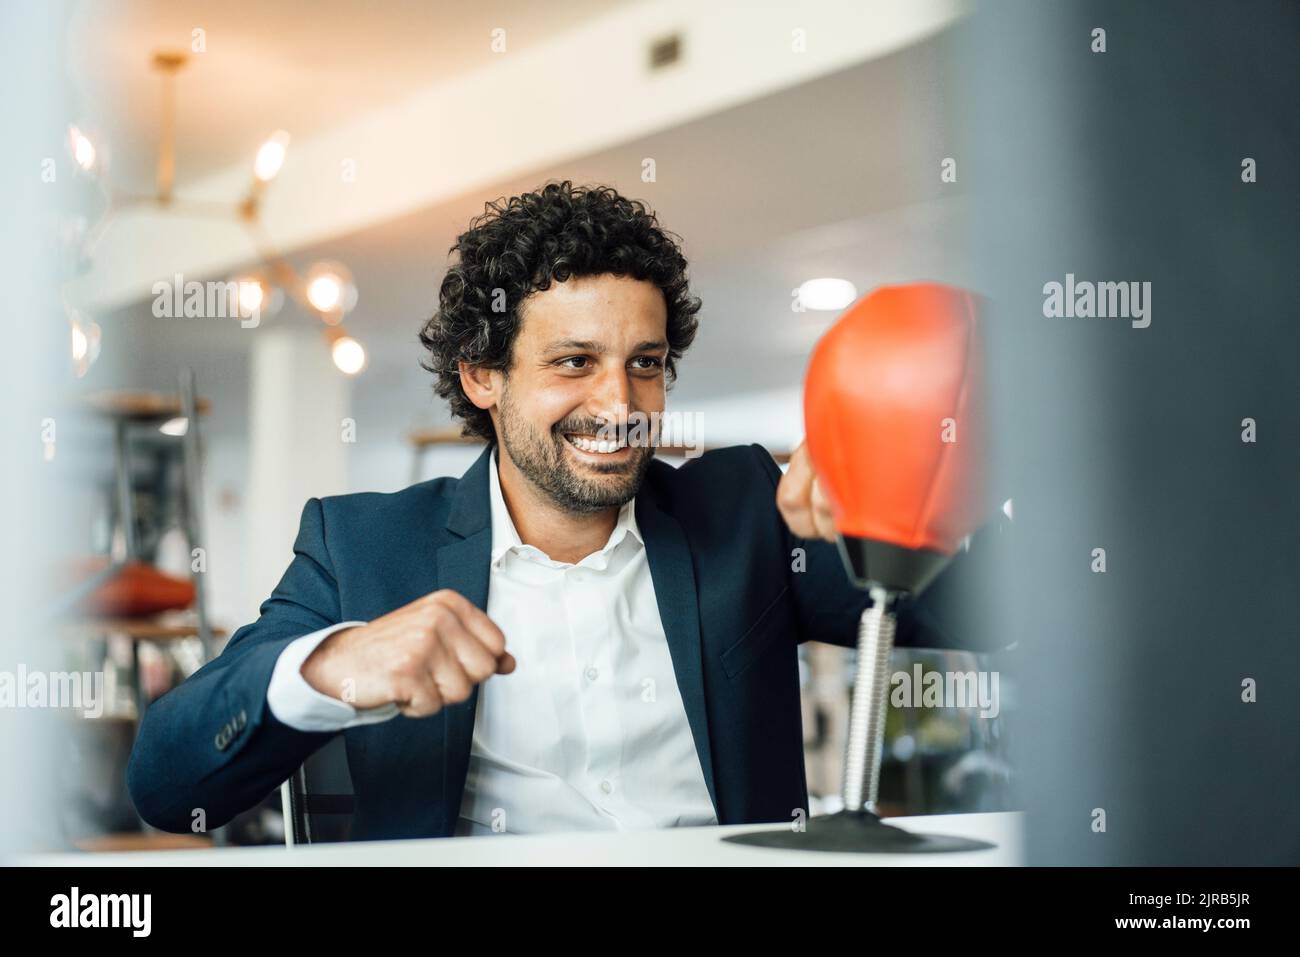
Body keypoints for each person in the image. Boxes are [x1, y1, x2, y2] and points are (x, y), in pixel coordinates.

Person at [128, 181, 972, 840]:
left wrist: (911, 473)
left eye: (646, 362)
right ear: (481, 377)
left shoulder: (745, 509)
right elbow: (166, 781)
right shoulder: (362, 547)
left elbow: (997, 608)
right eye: (574, 361)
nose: (620, 402)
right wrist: (327, 666)